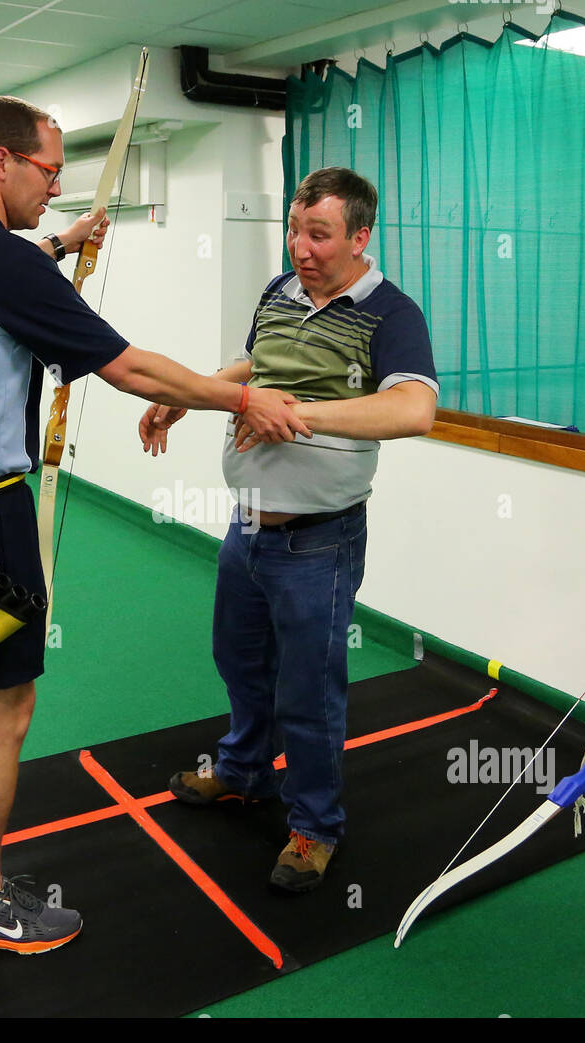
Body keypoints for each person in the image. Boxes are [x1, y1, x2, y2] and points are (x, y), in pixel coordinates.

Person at [0, 95, 310, 952]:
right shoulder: (1, 262)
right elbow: (131, 367)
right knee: (2, 710)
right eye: (49, 171)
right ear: (1, 163)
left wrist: (58, 245)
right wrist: (242, 393)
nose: (56, 189)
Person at [140, 167, 439, 892]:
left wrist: (297, 413)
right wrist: (202, 394)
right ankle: (243, 772)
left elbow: (411, 411)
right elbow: (259, 365)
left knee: (309, 692)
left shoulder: (390, 314)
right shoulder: (279, 292)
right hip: (247, 526)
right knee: (241, 665)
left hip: (320, 541)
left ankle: (314, 827)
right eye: (295, 230)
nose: (301, 249)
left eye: (320, 235)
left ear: (361, 236)